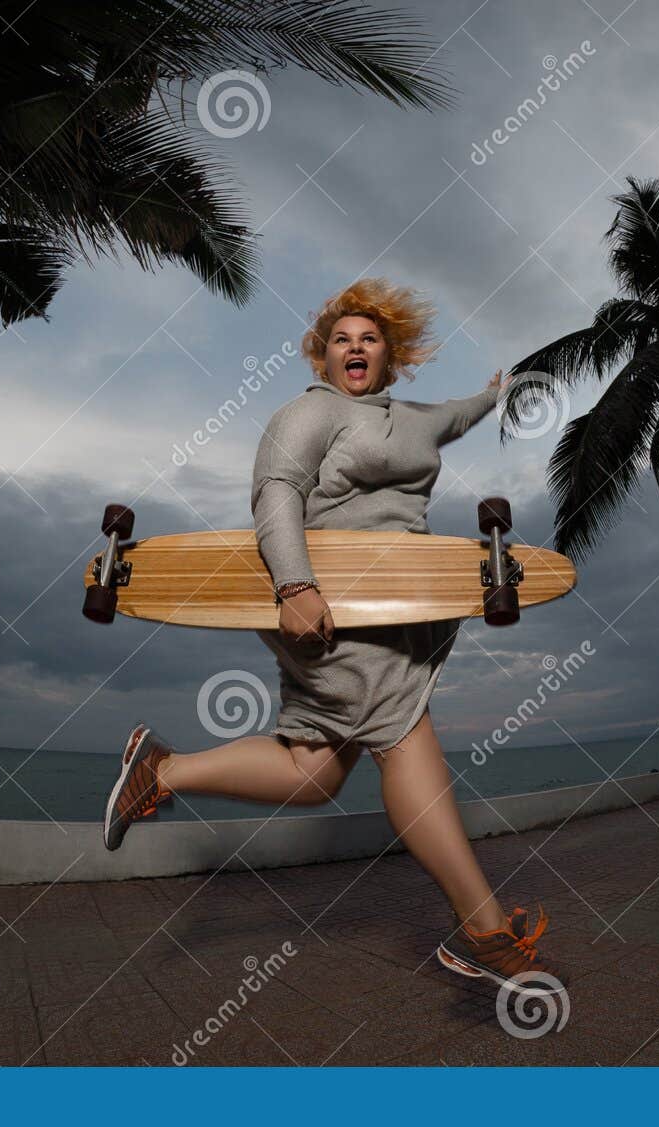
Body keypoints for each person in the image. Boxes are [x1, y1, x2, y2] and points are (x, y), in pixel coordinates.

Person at [96, 278, 567, 993]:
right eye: (341, 339)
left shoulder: (411, 418)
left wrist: (490, 395)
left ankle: (161, 770)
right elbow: (275, 493)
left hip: (396, 612)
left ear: (389, 355)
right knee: (403, 736)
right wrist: (293, 585)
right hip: (326, 607)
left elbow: (454, 416)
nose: (355, 347)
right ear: (323, 356)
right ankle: (485, 932)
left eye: (369, 338)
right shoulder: (310, 411)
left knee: (312, 773)